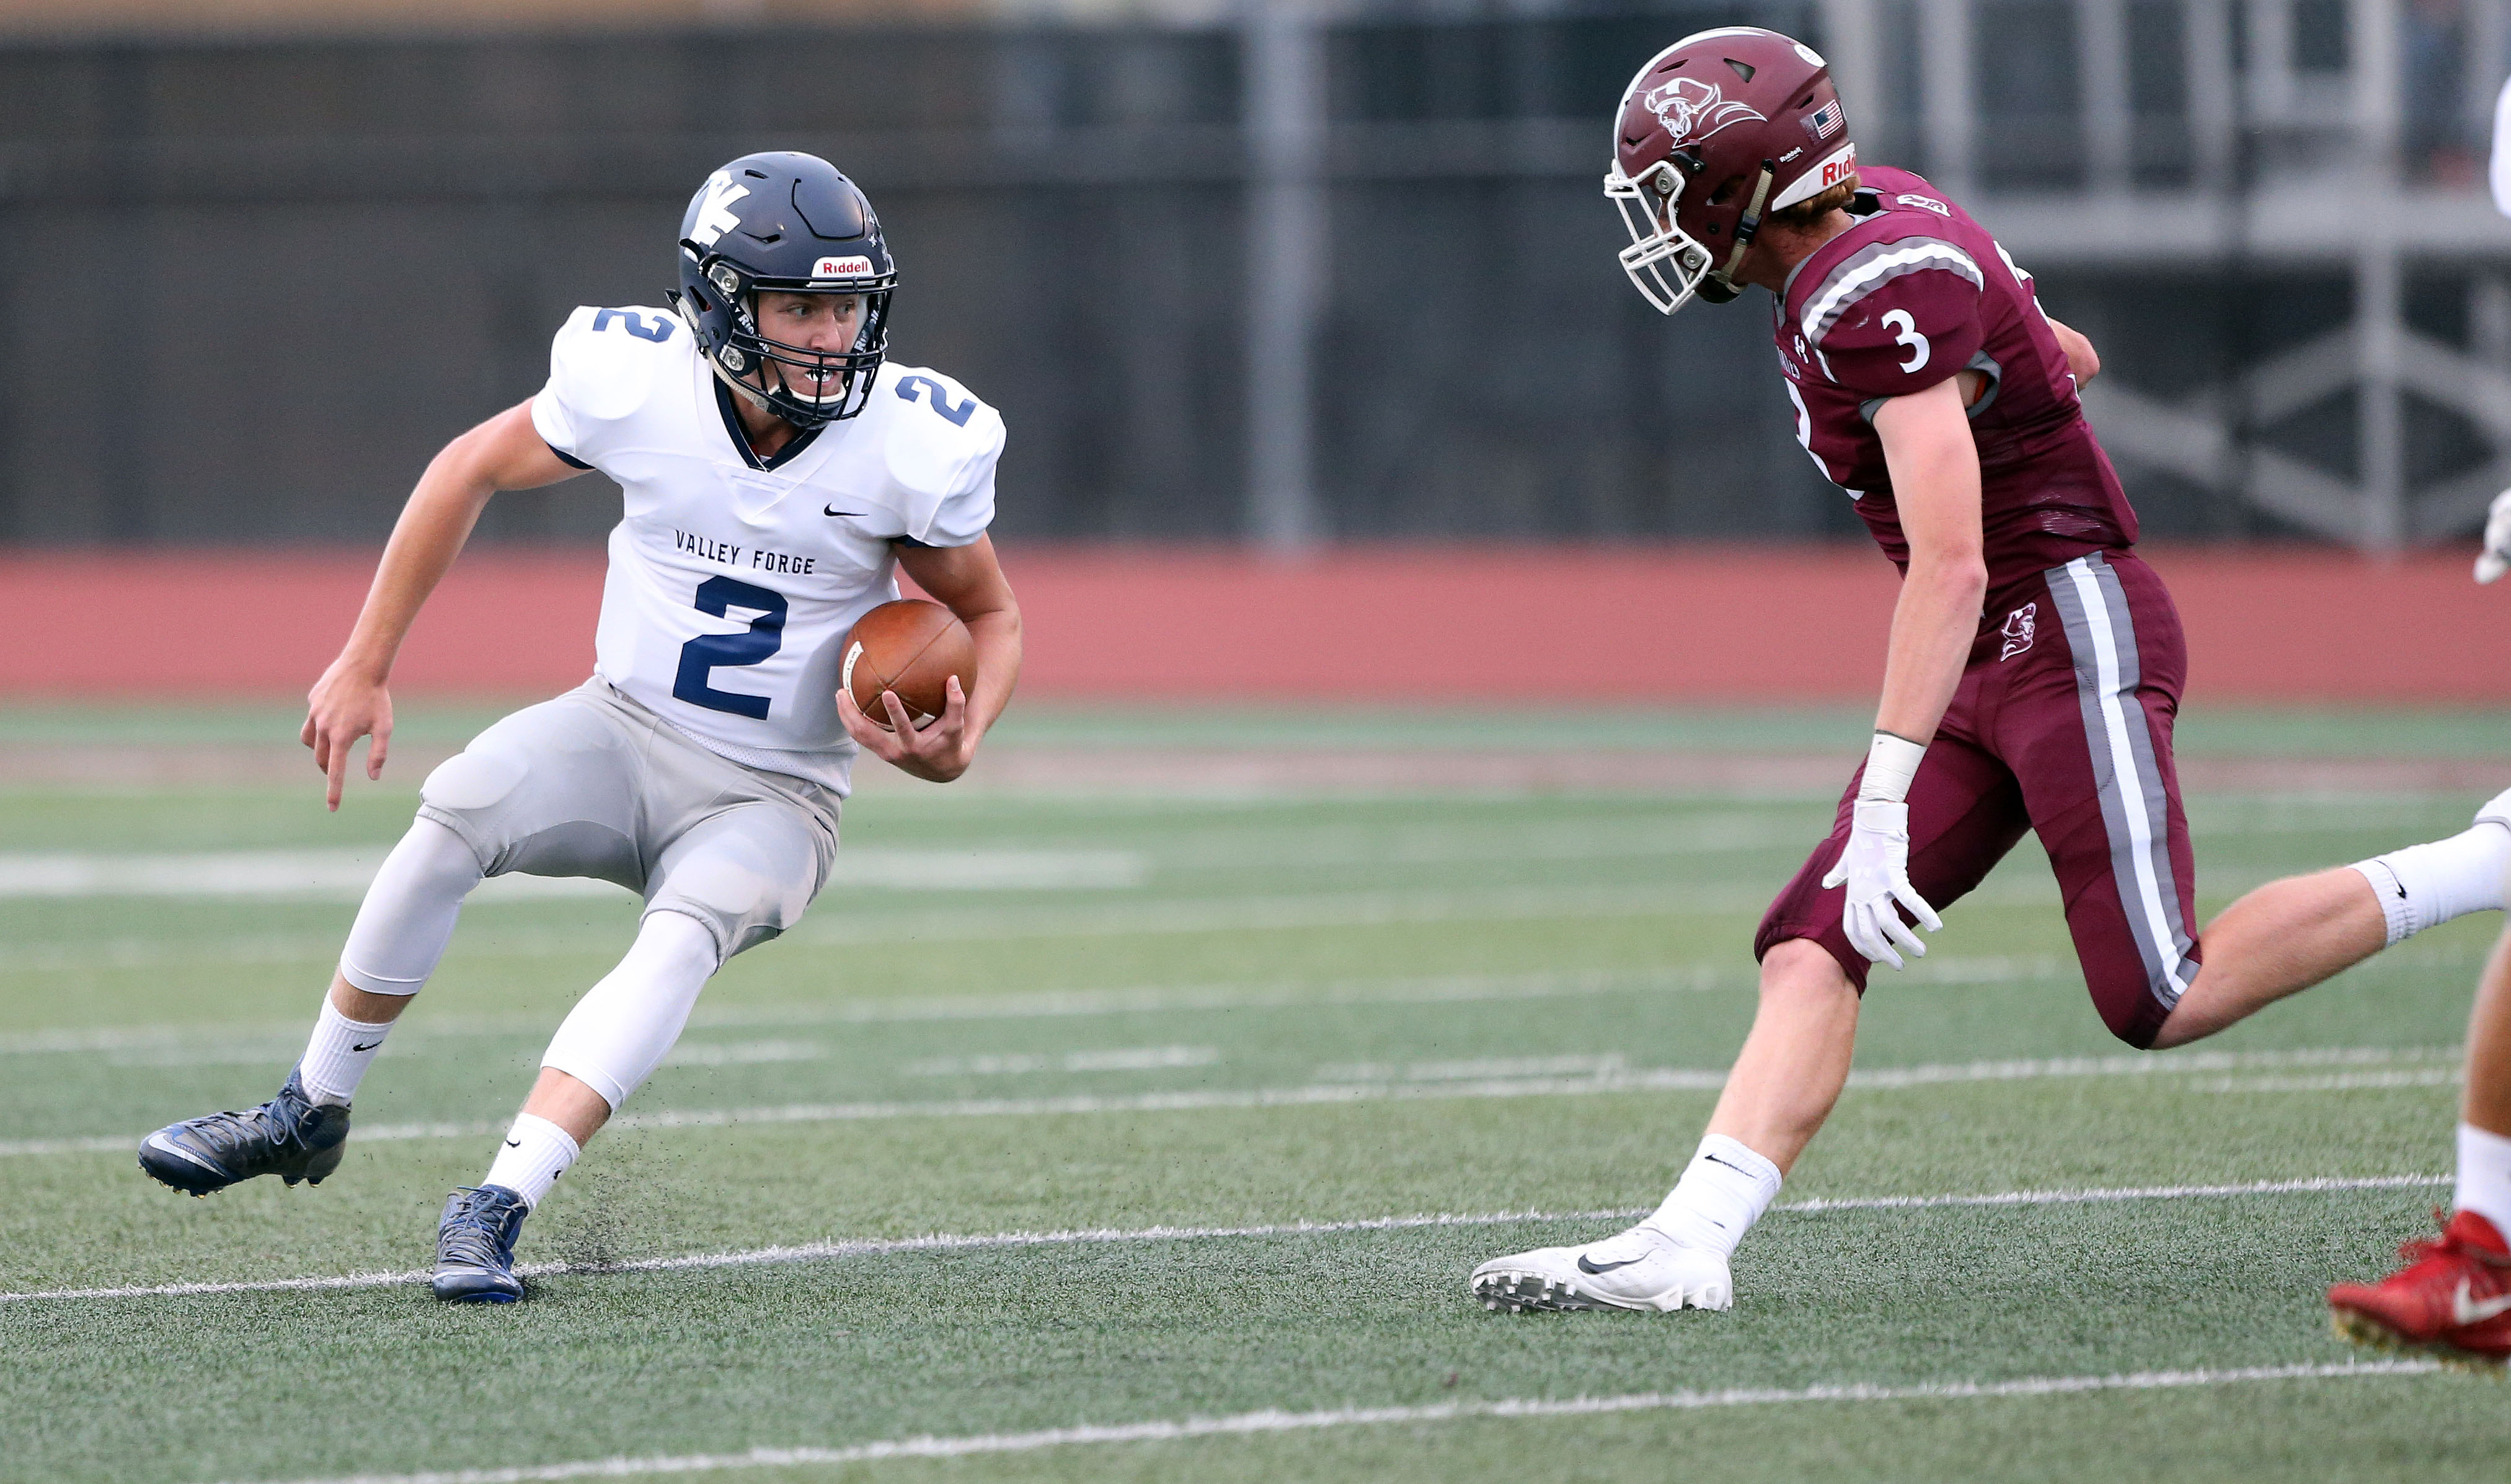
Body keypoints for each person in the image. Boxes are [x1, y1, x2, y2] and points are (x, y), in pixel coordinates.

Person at [1471, 28, 2511, 1314]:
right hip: (1996, 639)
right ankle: (1691, 1240)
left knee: (2160, 993)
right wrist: (1996, 364)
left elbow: (1954, 566)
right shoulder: (1890, 215)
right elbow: (2064, 354)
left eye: (1672, 187)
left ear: (1737, 186)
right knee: (1813, 938)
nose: (1659, 220)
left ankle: (2493, 859)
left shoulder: (1872, 291)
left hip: (2064, 625)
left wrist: (1888, 790)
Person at [135, 151, 1022, 1304]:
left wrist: (966, 732)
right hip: (617, 726)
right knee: (451, 811)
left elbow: (990, 613)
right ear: (718, 306)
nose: (827, 334)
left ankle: (497, 1202)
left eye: (846, 305)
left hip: (775, 791)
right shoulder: (635, 381)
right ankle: (308, 1107)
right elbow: (468, 469)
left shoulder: (909, 441)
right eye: (798, 305)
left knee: (680, 936)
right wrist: (365, 661)